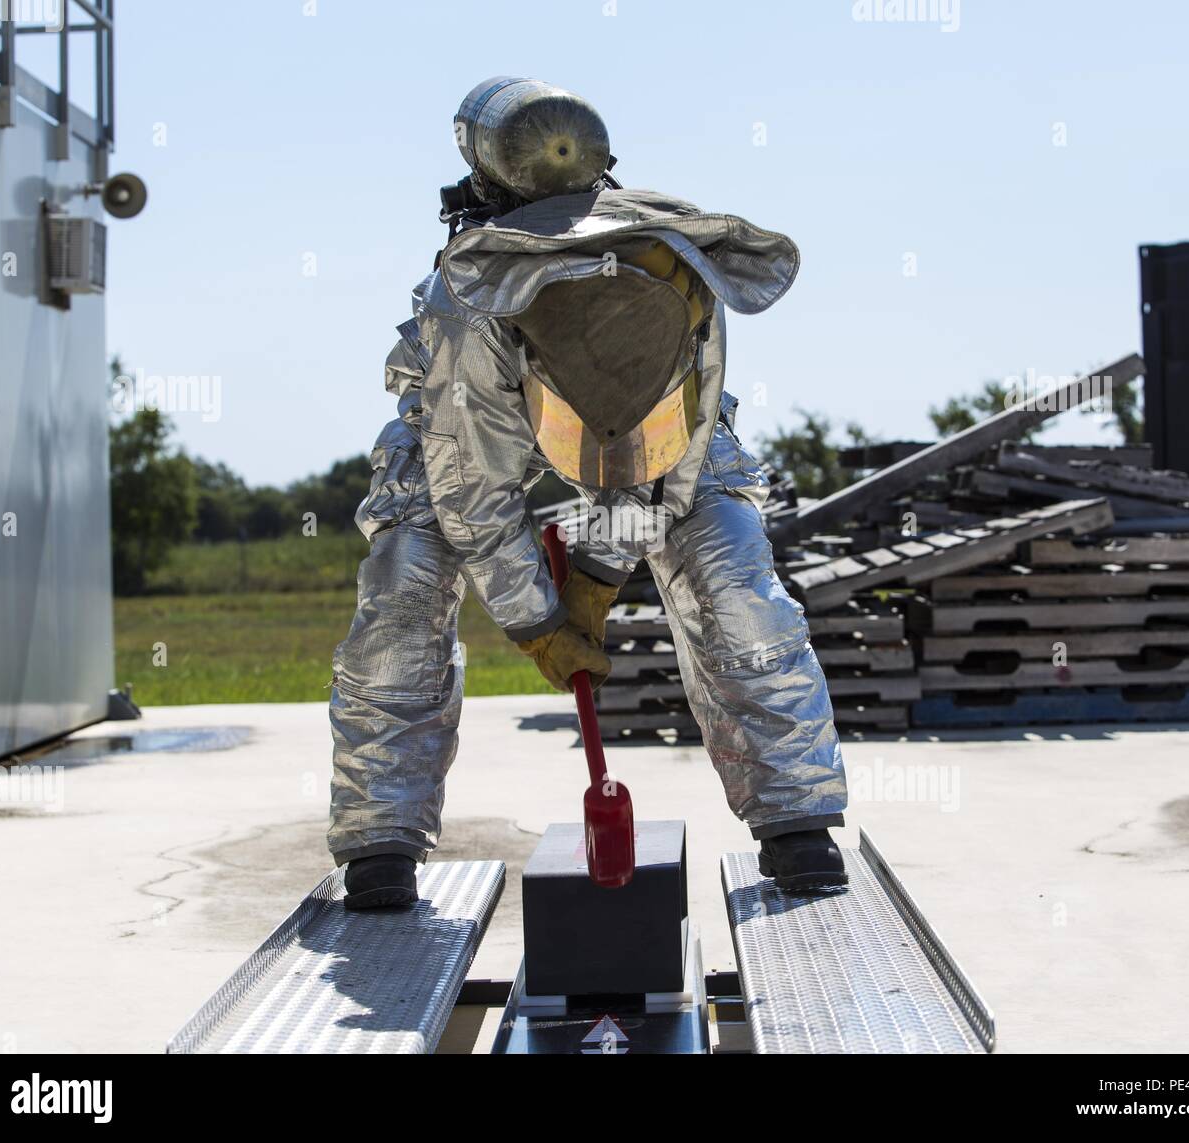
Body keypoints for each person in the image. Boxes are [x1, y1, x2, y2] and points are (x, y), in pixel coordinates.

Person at [330, 77, 849, 909]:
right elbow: (475, 488)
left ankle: (797, 822)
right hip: (474, 439)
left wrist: (597, 579)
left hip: (645, 441)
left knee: (737, 575)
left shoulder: (682, 270)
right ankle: (381, 837)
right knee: (404, 579)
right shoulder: (473, 299)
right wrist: (540, 620)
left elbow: (672, 459)